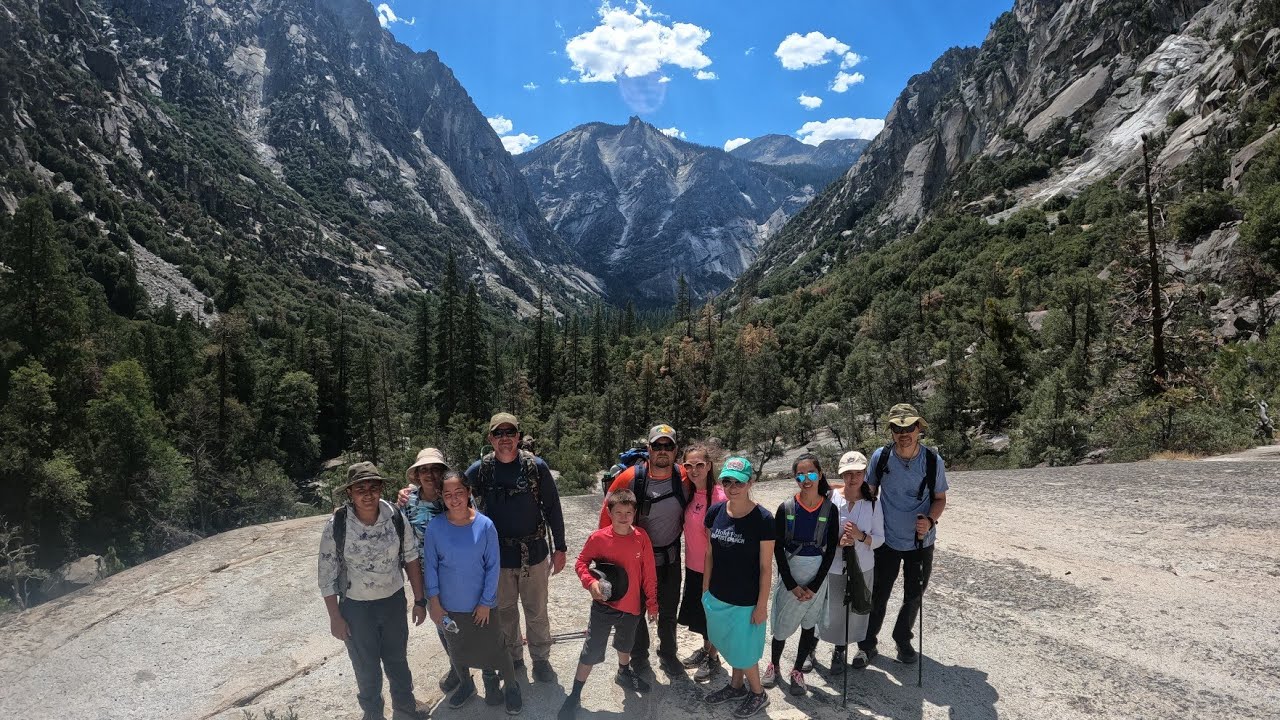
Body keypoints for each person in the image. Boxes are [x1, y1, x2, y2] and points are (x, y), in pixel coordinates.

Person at [317, 462, 428, 720]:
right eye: (360, 488)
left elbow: (411, 558)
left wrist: (420, 600)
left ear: (381, 488)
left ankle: (405, 707)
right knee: (366, 667)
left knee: (397, 659)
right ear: (350, 493)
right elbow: (326, 574)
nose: (367, 493)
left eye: (373, 486)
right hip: (356, 607)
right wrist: (335, 617)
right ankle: (373, 713)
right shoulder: (338, 525)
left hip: (392, 602)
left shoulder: (395, 517)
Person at [465, 412, 568, 685]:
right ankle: (513, 657)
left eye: (510, 433)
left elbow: (553, 508)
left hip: (533, 552)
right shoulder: (480, 471)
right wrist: (413, 492)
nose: (505, 439)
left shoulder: (536, 467)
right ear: (490, 439)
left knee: (537, 610)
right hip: (497, 557)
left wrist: (561, 547)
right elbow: (452, 493)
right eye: (498, 434)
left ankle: (541, 659)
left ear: (518, 437)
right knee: (506, 611)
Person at [423, 471, 522, 714]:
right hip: (449, 606)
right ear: (442, 498)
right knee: (457, 650)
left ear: (468, 493)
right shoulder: (435, 528)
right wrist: (434, 603)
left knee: (497, 651)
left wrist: (486, 602)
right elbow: (431, 567)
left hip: (483, 605)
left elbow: (492, 566)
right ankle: (466, 685)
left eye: (459, 493)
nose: (454, 499)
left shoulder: (485, 525)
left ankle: (511, 687)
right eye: (448, 495)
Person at [558, 489, 659, 719]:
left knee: (626, 643)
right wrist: (590, 583)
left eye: (629, 512)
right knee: (591, 649)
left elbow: (649, 574)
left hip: (632, 606)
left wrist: (652, 604)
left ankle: (624, 672)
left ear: (634, 513)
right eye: (618, 512)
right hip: (604, 605)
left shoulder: (641, 537)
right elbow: (581, 563)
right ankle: (574, 694)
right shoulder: (598, 538)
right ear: (609, 512)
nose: (624, 517)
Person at [861, 403, 949, 665]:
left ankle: (902, 639)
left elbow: (940, 499)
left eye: (909, 427)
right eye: (898, 428)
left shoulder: (933, 461)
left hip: (920, 541)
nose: (904, 433)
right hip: (887, 539)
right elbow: (869, 492)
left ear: (919, 428)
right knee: (879, 593)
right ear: (891, 431)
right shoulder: (881, 457)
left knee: (914, 593)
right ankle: (867, 644)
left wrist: (930, 520)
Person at [598, 423, 689, 673]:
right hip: (635, 560)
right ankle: (639, 655)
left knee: (669, 609)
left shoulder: (683, 478)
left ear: (675, 450)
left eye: (667, 446)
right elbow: (607, 515)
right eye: (657, 446)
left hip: (670, 557)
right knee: (635, 610)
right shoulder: (630, 478)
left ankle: (668, 654)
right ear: (648, 449)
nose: (662, 450)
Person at [701, 456, 774, 719]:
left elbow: (766, 567)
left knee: (744, 650)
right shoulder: (715, 512)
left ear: (750, 483)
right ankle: (736, 686)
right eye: (727, 482)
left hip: (746, 599)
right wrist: (705, 590)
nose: (733, 487)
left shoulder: (764, 519)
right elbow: (710, 554)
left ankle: (758, 694)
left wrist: (762, 605)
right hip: (718, 594)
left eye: (739, 482)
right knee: (727, 644)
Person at [762, 453, 840, 696]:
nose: (806, 480)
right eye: (800, 475)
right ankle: (773, 664)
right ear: (795, 477)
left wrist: (815, 586)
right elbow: (777, 547)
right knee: (782, 625)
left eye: (811, 474)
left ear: (820, 475)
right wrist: (790, 584)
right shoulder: (786, 508)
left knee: (809, 625)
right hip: (791, 574)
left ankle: (797, 669)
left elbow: (830, 552)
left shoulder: (830, 509)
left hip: (817, 575)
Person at [396, 447, 460, 692]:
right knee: (441, 622)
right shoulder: (408, 501)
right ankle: (458, 668)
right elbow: (398, 533)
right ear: (417, 474)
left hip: (458, 571)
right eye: (425, 470)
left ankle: (480, 665)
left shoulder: (454, 495)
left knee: (468, 620)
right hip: (426, 575)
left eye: (435, 469)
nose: (430, 474)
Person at [819, 450, 884, 671]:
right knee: (828, 609)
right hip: (833, 566)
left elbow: (880, 539)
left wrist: (860, 536)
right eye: (847, 474)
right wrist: (837, 543)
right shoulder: (831, 499)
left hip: (862, 567)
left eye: (857, 473)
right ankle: (810, 647)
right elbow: (820, 533)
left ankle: (840, 650)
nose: (852, 478)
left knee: (850, 613)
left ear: (865, 474)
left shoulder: (873, 503)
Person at [676, 443, 728, 681]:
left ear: (708, 466)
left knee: (713, 616)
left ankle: (713, 658)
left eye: (699, 465)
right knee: (700, 615)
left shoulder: (720, 497)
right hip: (693, 566)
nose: (694, 470)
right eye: (689, 465)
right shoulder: (687, 492)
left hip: (714, 570)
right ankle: (706, 648)